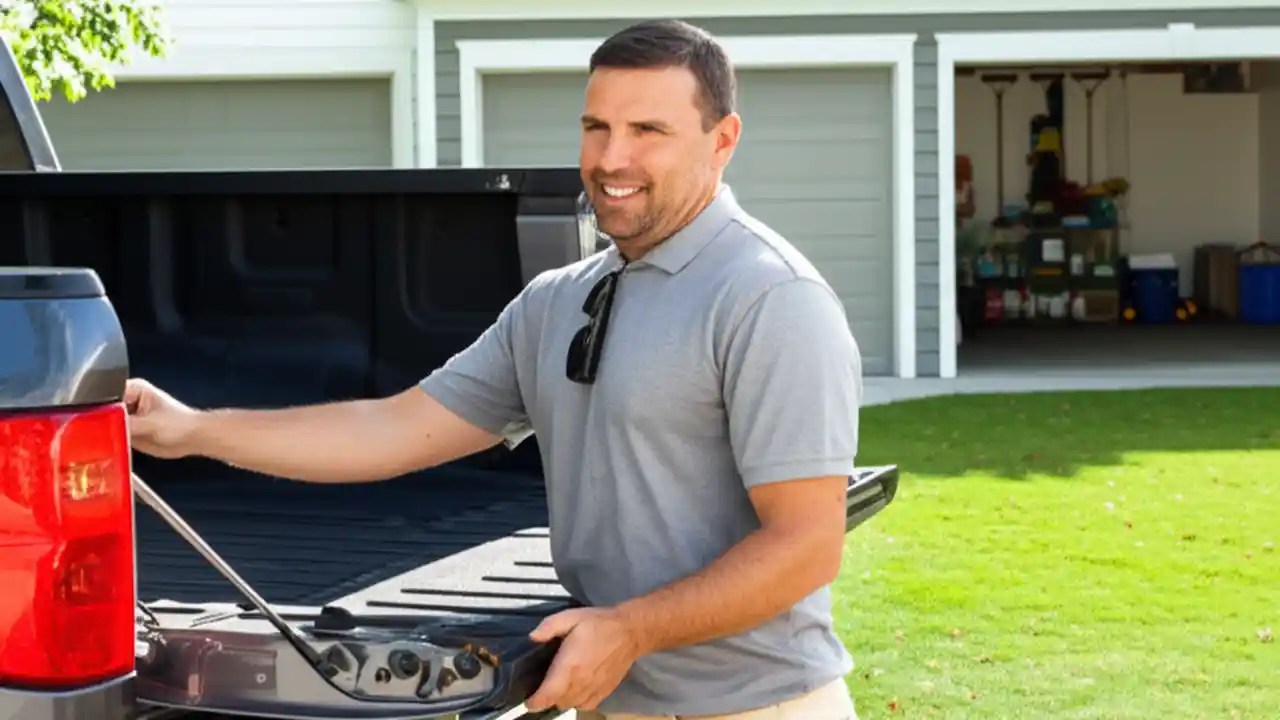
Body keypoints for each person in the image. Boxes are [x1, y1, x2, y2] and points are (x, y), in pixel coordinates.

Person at [125, 18, 863, 720]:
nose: (611, 159)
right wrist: (192, 429)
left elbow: (804, 543)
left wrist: (633, 628)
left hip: (757, 706)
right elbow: (391, 428)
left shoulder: (769, 298)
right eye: (595, 127)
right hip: (616, 698)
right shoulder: (558, 301)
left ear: (722, 140)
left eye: (648, 132)